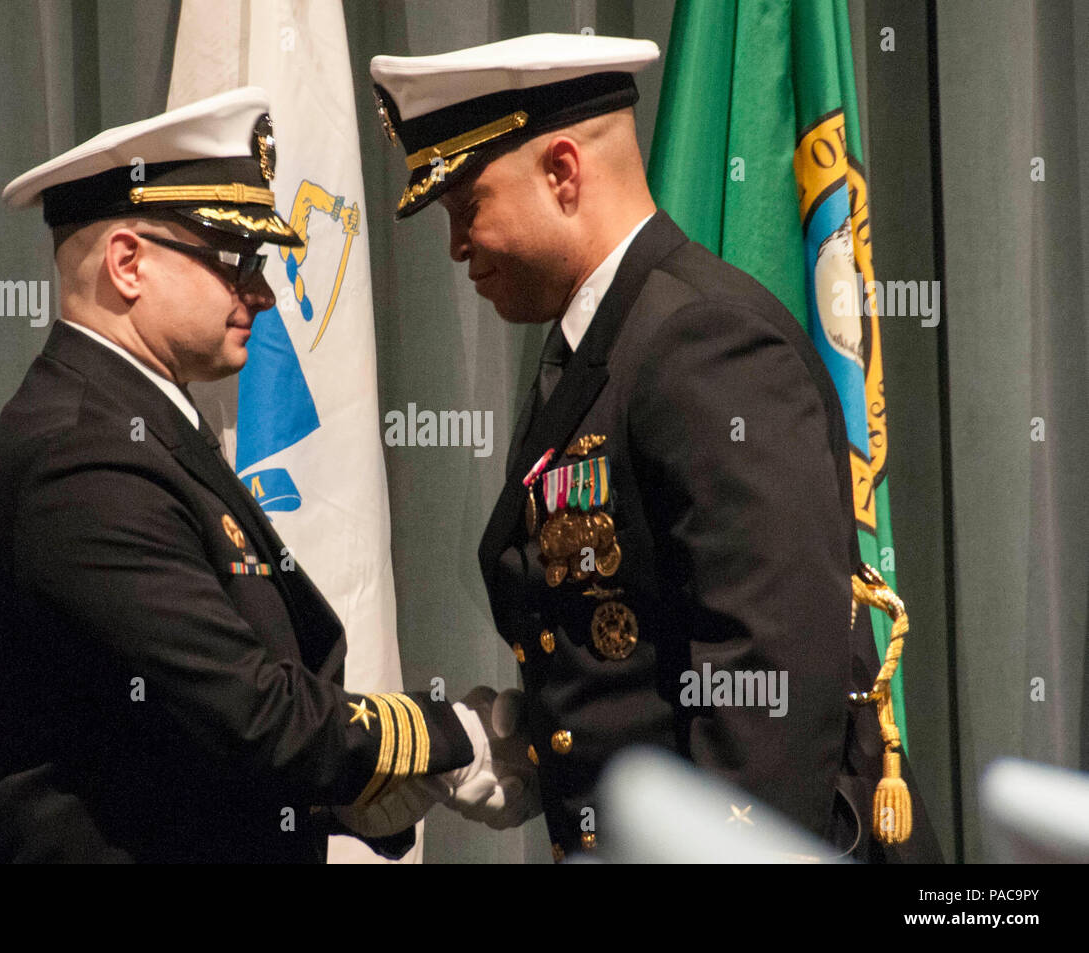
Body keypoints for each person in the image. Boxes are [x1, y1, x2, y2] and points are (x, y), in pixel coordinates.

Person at [371, 33, 941, 863]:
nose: (458, 244)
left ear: (563, 172)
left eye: (469, 206)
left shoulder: (701, 341)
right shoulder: (603, 339)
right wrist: (534, 747)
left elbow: (768, 685)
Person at [0, 88, 535, 863]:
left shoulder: (136, 422)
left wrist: (344, 797)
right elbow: (247, 712)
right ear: (128, 264)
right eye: (236, 259)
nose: (262, 293)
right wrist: (446, 738)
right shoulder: (82, 459)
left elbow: (174, 743)